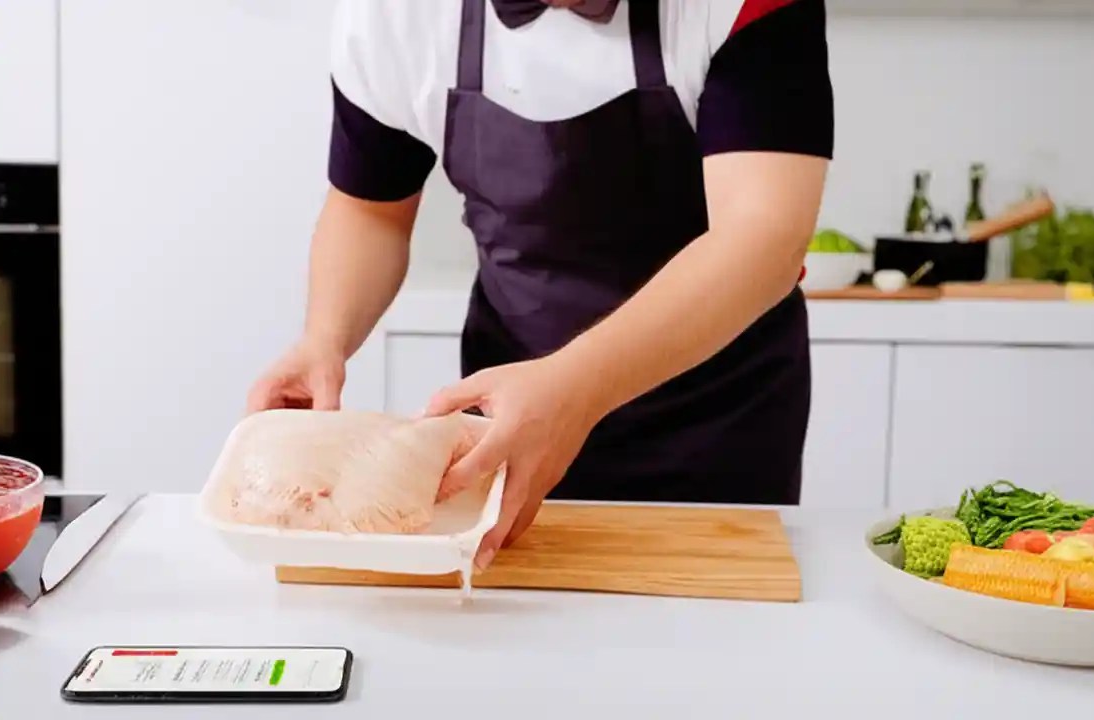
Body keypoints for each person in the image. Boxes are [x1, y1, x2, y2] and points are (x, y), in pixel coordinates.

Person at [247, 0, 834, 570]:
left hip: (718, 420)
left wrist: (574, 389)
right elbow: (371, 211)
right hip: (508, 413)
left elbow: (762, 239)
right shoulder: (395, 15)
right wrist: (325, 337)